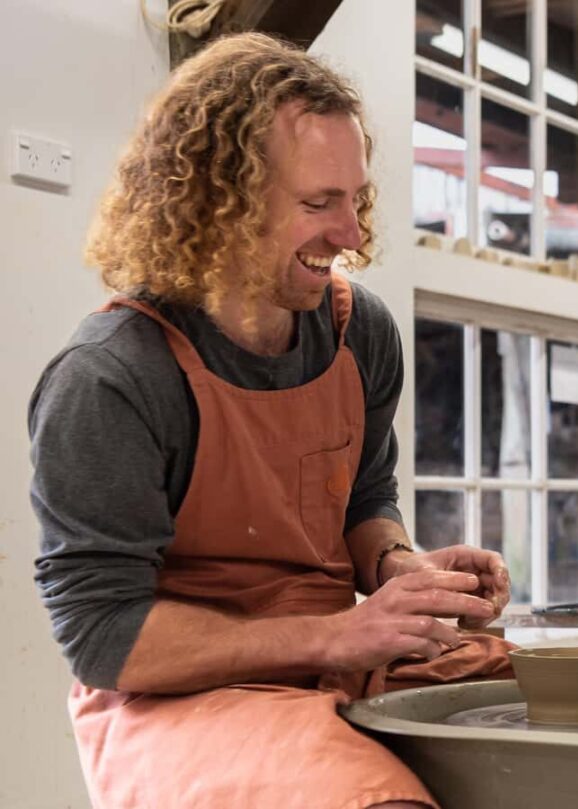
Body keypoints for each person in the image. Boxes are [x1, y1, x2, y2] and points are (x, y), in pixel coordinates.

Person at [29, 33, 514, 809]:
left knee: (558, 727)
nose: (352, 234)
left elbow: (363, 499)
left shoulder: (359, 331)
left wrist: (400, 568)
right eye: (319, 204)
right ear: (215, 202)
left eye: (354, 199)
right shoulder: (112, 376)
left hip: (333, 660)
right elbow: (105, 635)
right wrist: (336, 634)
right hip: (175, 698)